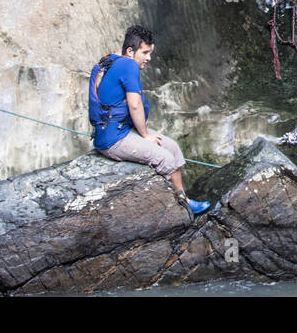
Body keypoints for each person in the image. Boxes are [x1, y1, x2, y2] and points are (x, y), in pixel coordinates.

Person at [88, 25, 210, 216]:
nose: (149, 58)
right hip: (112, 140)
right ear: (130, 51)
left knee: (172, 146)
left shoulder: (115, 60)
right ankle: (176, 209)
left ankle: (184, 199)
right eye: (145, 52)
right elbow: (134, 104)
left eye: (150, 53)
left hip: (121, 130)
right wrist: (145, 135)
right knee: (165, 159)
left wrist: (147, 135)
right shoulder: (128, 65)